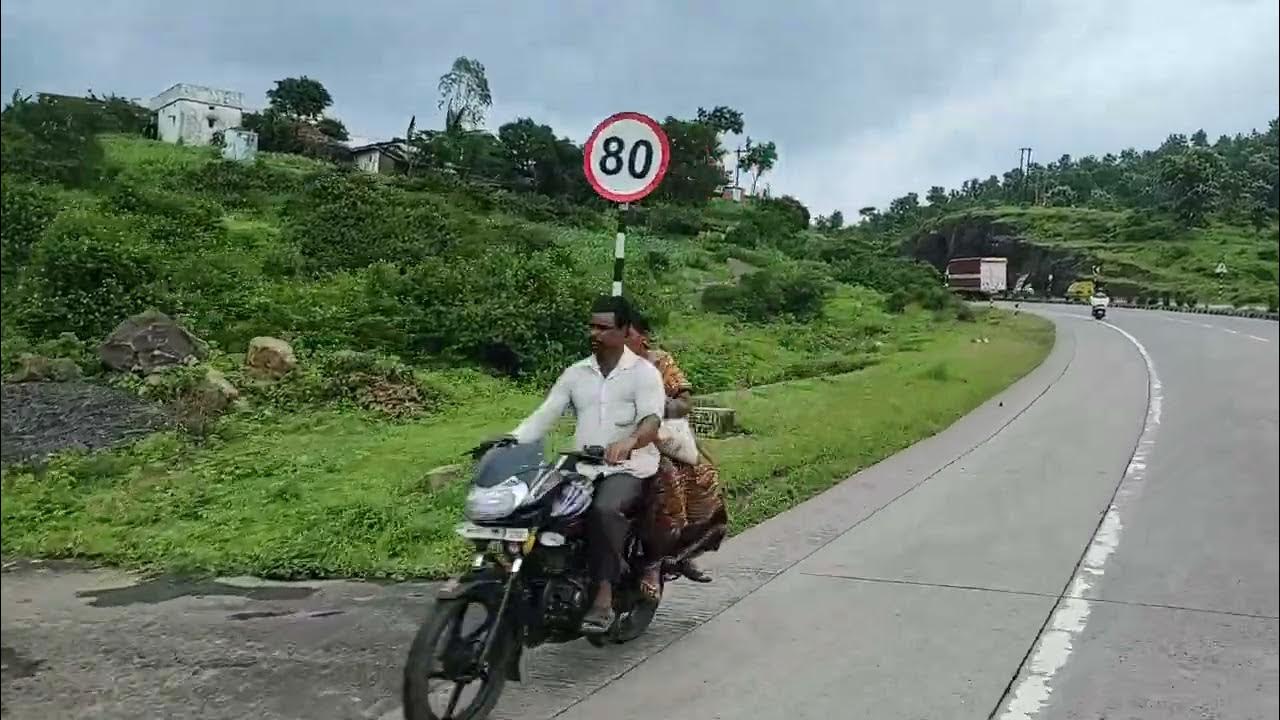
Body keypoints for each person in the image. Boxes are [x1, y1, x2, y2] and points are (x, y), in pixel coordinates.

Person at [508, 295, 666, 634]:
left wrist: (629, 442)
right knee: (532, 505)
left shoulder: (644, 374)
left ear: (625, 331)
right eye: (591, 326)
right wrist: (510, 440)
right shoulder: (576, 373)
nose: (594, 333)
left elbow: (652, 420)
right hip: (581, 464)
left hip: (629, 466)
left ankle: (604, 598)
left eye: (604, 328)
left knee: (603, 510)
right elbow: (544, 415)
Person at [625, 317, 730, 599]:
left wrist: (656, 405)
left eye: (627, 334)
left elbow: (684, 403)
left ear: (643, 338)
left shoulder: (660, 362)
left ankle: (664, 558)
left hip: (658, 441)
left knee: (695, 476)